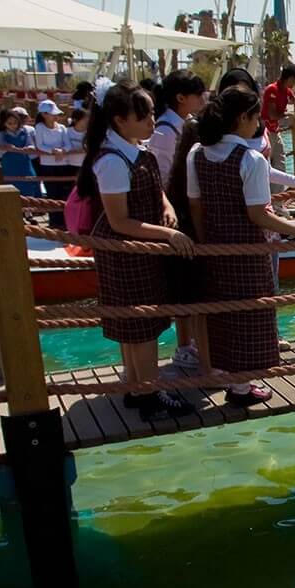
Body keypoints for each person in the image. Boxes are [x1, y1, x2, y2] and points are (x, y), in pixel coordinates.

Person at [182, 85, 295, 407]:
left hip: (214, 246)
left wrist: (207, 240)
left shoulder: (197, 153)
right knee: (251, 315)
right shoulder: (250, 159)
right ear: (242, 118)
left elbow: (195, 205)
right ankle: (243, 387)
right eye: (255, 116)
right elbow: (260, 214)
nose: (259, 122)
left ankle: (227, 377)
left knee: (222, 313)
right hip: (248, 249)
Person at [77, 85, 194, 416]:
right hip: (127, 250)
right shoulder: (112, 161)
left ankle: (136, 385)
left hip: (142, 246)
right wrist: (168, 234)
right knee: (140, 325)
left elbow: (155, 191)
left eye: (152, 114)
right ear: (119, 120)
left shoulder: (134, 151)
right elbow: (119, 221)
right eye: (143, 116)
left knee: (137, 322)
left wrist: (167, 205)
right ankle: (148, 391)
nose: (151, 122)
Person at [150, 72, 204, 182]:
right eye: (198, 95)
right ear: (181, 98)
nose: (202, 100)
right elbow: (162, 176)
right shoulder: (165, 131)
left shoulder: (190, 120)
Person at [33, 100, 80, 209]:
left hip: (63, 164)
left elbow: (68, 145)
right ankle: (54, 220)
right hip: (47, 165)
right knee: (52, 193)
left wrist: (62, 151)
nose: (55, 116)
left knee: (65, 193)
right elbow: (40, 145)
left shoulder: (62, 127)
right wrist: (53, 151)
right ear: (44, 115)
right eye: (52, 114)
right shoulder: (40, 127)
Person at [0, 105, 41, 196]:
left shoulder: (25, 131)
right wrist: (6, 148)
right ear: (4, 123)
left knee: (30, 185)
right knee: (12, 187)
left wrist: (30, 148)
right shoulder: (2, 134)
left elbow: (31, 144)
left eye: (15, 123)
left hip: (25, 164)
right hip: (10, 165)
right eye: (9, 123)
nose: (13, 126)